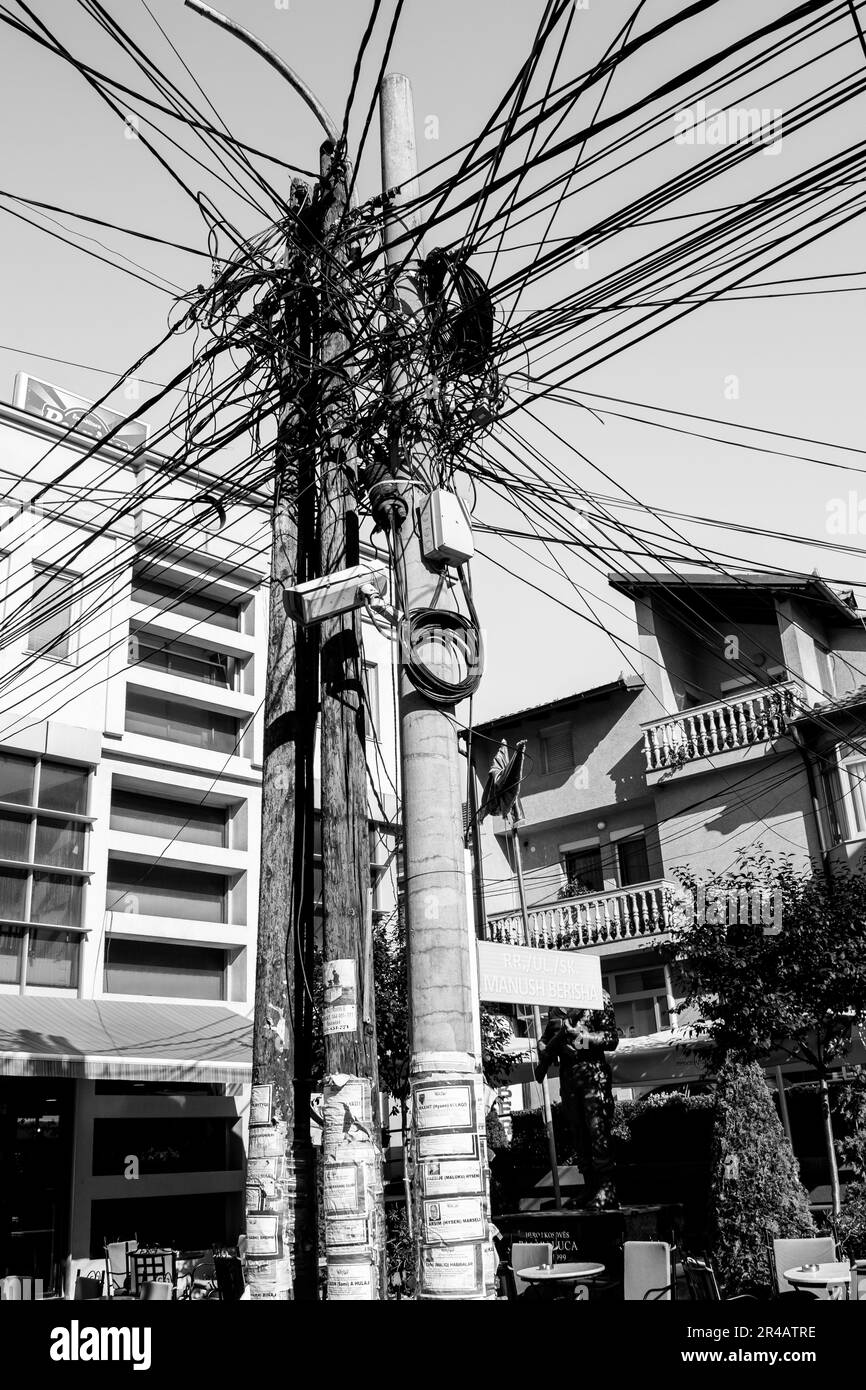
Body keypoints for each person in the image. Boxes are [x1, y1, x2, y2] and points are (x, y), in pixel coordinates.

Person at [534, 994, 619, 1210]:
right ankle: (590, 1187)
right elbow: (546, 1037)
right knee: (578, 1133)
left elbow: (611, 1038)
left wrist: (581, 1038)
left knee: (596, 1129)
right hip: (568, 1077)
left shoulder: (598, 996)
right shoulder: (556, 1001)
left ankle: (606, 1189)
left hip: (593, 1074)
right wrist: (543, 1046)